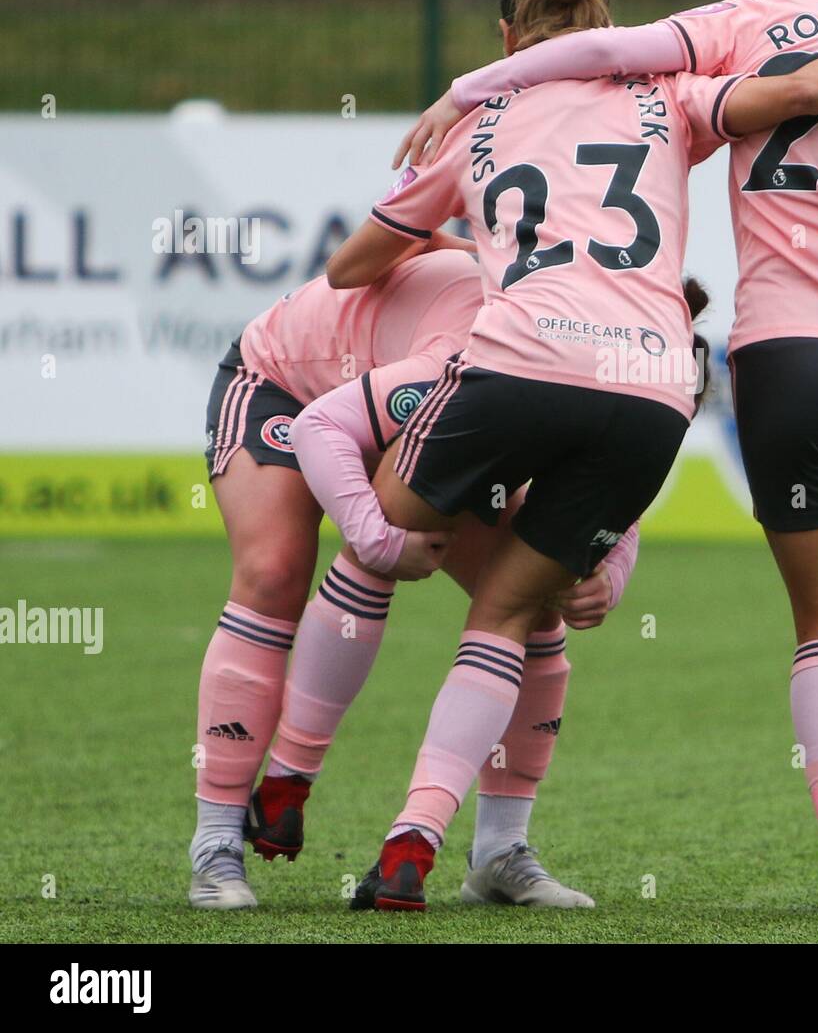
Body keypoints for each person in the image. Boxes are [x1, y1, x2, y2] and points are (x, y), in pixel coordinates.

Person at [324, 0, 818, 913]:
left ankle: (269, 802)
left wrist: (465, 120)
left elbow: (352, 266)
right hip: (697, 374)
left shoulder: (553, 91)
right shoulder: (689, 96)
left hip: (705, 351)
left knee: (360, 532)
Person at [190, 248, 627, 911]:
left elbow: (618, 477)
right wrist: (379, 539)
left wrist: (611, 572)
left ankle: (500, 853)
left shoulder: (623, 358)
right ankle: (217, 841)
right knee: (275, 571)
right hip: (294, 386)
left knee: (533, 603)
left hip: (405, 402)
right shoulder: (472, 360)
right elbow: (323, 426)